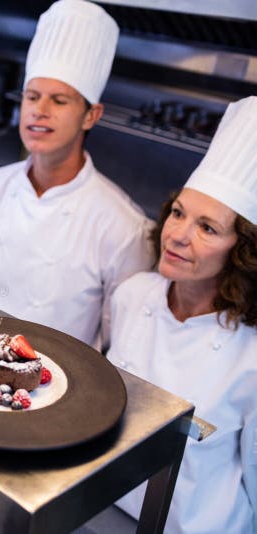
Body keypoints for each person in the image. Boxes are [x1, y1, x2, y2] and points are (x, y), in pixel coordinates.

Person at [110, 96, 257, 534]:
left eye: (207, 228)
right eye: (178, 213)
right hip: (104, 510)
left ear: (243, 252)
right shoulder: (133, 297)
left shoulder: (250, 358)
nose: (177, 235)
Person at [0, 0, 153, 349]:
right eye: (32, 96)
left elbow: (118, 339)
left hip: (61, 393)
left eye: (59, 100)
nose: (39, 111)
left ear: (91, 115)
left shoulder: (124, 227)